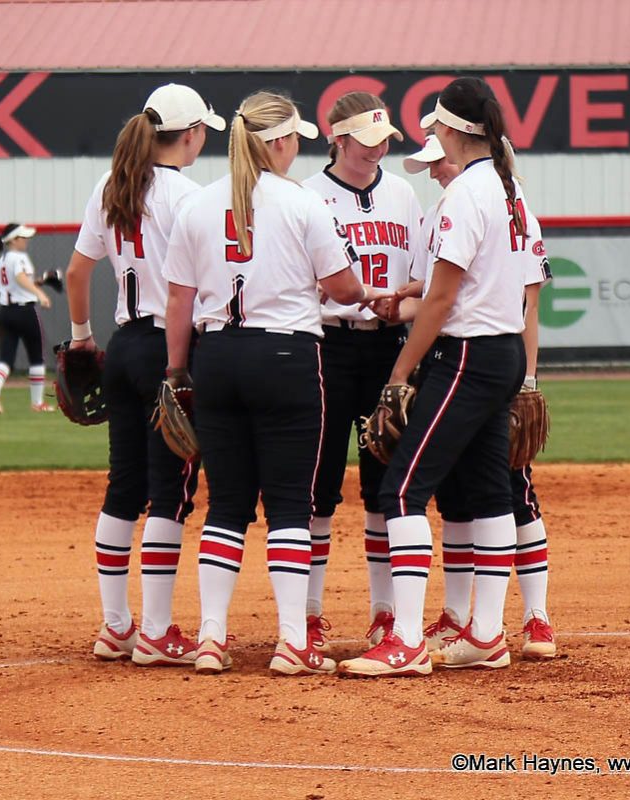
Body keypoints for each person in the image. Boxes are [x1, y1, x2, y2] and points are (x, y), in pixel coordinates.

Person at [163, 91, 380, 676]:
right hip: (286, 355)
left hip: (217, 356)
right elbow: (340, 288)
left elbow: (179, 299)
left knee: (226, 504)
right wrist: (372, 296)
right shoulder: (302, 202)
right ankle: (293, 643)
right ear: (280, 142)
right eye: (295, 139)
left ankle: (210, 638)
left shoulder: (198, 204)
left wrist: (177, 372)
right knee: (290, 503)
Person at [338, 77, 535, 677]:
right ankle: (487, 634)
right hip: (504, 353)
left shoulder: (464, 196)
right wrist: (414, 292)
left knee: (400, 491)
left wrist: (399, 374)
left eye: (435, 125)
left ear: (453, 130)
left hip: (468, 356)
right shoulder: (505, 188)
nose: (430, 134)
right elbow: (472, 282)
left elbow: (445, 299)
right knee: (489, 492)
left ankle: (404, 641)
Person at [63, 83, 224, 667]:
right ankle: (157, 632)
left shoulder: (111, 185)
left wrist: (82, 337)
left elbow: (77, 272)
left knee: (123, 485)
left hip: (124, 343)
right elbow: (201, 285)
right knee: (170, 492)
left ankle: (116, 627)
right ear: (191, 135)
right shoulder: (190, 195)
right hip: (169, 347)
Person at [397, 134, 557, 661]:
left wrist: (528, 382)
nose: (432, 171)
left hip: (477, 356)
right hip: (462, 354)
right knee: (472, 492)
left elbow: (526, 302)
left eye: (437, 159)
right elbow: (430, 295)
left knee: (510, 490)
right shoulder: (446, 206)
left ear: (461, 145)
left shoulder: (495, 200)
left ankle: (536, 618)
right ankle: (475, 625)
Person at [300, 92, 423, 652]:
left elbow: (420, 271)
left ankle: (384, 612)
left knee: (383, 486)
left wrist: (402, 303)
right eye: (367, 142)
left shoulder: (401, 192)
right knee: (319, 486)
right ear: (339, 140)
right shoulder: (306, 195)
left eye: (384, 142)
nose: (378, 152)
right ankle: (310, 612)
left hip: (387, 347)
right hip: (327, 343)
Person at [0, 223, 54, 414]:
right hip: (25, 313)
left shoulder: (4, 259)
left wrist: (41, 280)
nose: (26, 240)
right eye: (23, 237)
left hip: (5, 313)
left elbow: (17, 282)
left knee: (5, 359)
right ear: (13, 240)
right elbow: (21, 278)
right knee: (37, 358)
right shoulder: (19, 257)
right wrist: (40, 293)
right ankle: (37, 403)